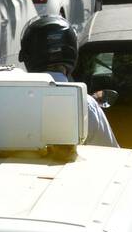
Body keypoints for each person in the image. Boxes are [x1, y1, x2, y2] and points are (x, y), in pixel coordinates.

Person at [19, 15, 119, 148]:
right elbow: (112, 156)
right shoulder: (85, 104)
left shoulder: (7, 100)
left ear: (26, 56)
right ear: (73, 54)